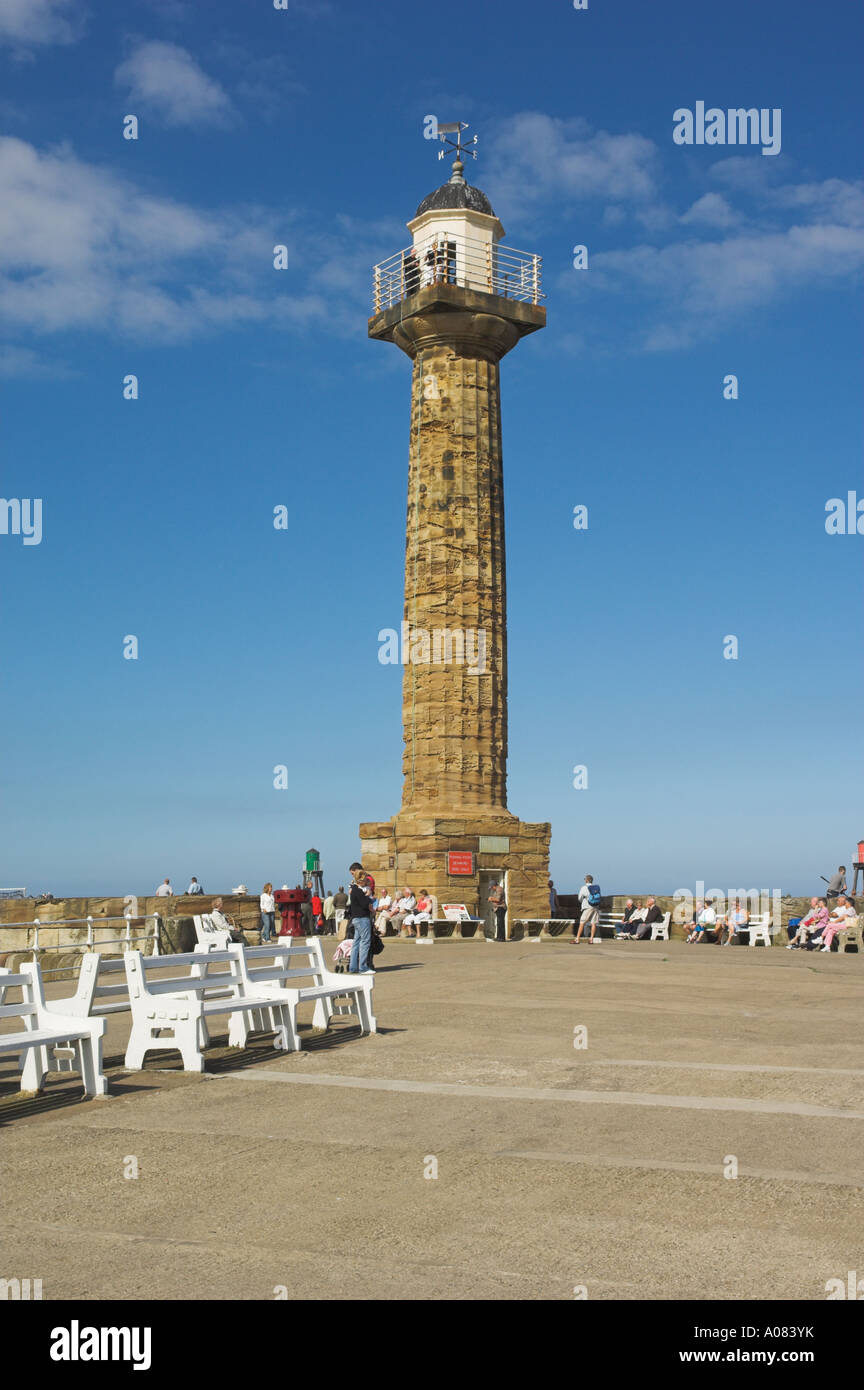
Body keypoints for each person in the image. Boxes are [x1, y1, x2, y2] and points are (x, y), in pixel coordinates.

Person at [347, 864, 374, 973]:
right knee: (365, 941)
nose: (366, 882)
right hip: (362, 918)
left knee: (356, 942)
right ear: (361, 880)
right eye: (365, 880)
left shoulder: (353, 890)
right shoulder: (358, 891)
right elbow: (364, 904)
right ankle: (363, 967)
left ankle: (353, 967)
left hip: (355, 918)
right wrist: (368, 896)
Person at [573, 875, 602, 943]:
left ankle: (577, 939)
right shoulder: (596, 887)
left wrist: (582, 902)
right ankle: (591, 939)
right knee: (593, 923)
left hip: (587, 907)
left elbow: (579, 898)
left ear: (586, 880)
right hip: (596, 906)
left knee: (582, 922)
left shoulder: (584, 887)